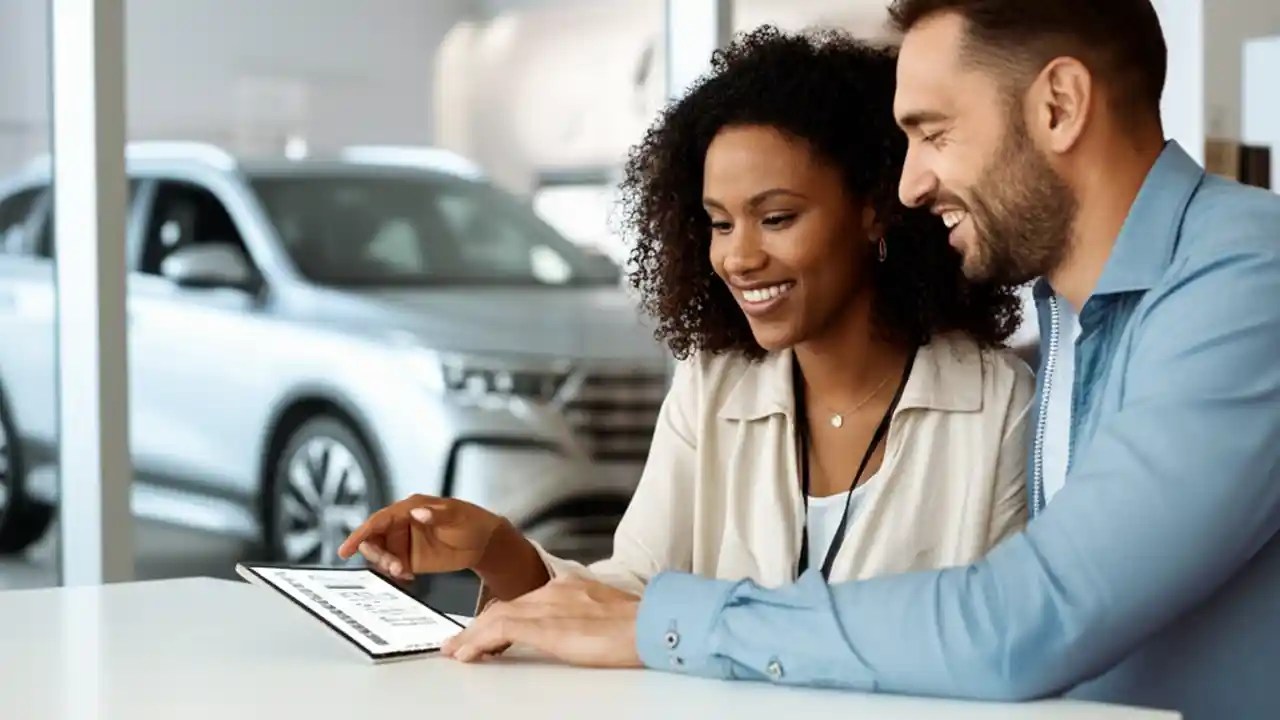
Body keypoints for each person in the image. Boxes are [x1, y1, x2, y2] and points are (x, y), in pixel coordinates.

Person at [437, 2, 1280, 718]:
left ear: (1058, 105)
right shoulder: (1073, 318)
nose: (910, 186)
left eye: (934, 133)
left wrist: (669, 622)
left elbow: (1027, 619)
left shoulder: (1247, 279)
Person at [339, 26, 1032, 633]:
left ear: (874, 209)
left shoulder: (997, 405)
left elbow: (994, 639)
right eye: (720, 223)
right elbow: (631, 598)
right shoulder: (713, 388)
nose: (739, 257)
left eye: (777, 218)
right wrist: (496, 549)